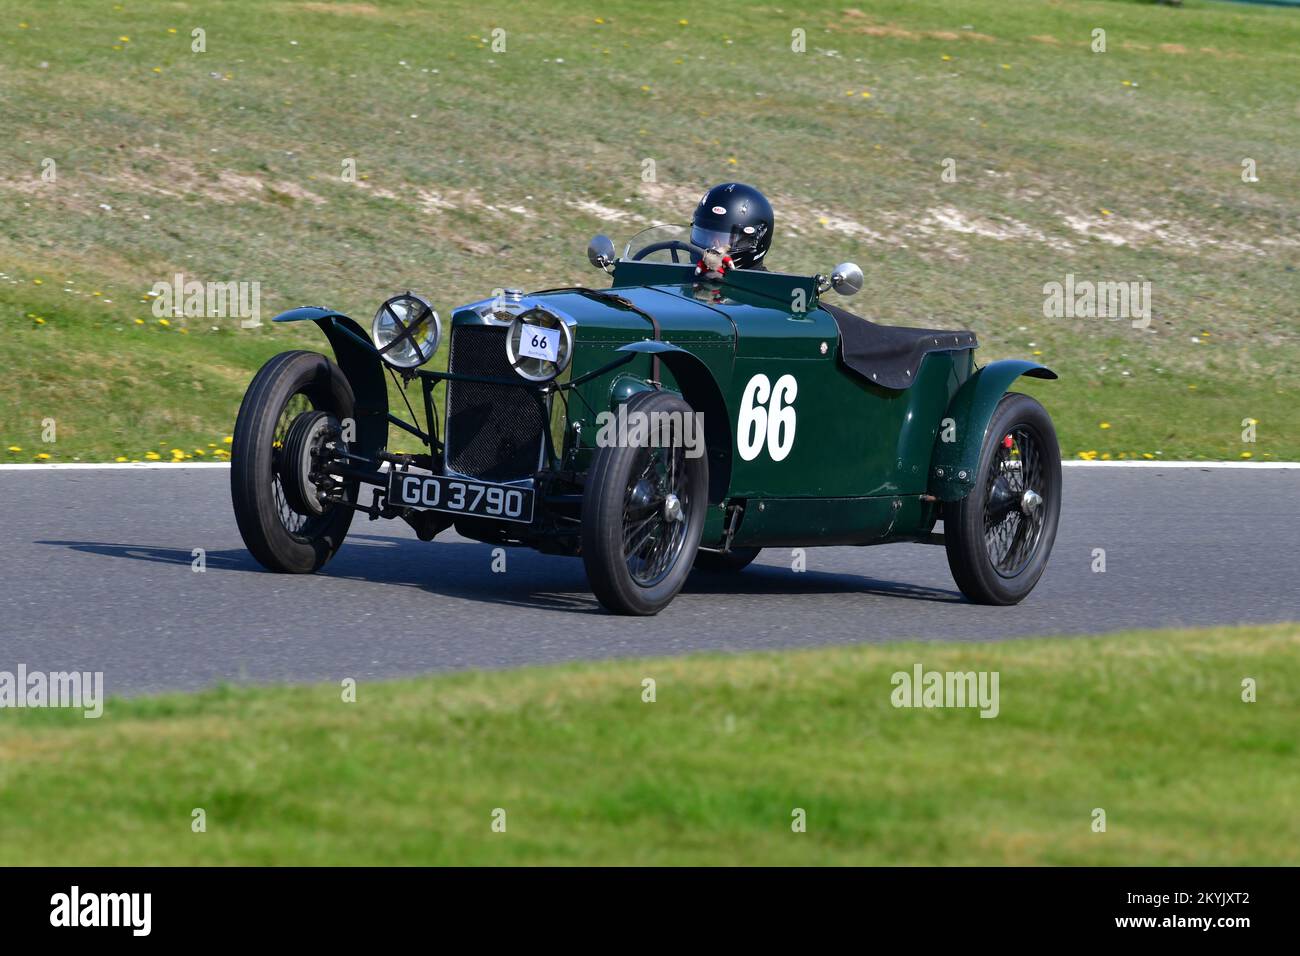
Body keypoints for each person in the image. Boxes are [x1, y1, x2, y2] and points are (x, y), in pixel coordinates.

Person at [689, 183, 773, 275]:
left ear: (756, 239)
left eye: (723, 238)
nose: (711, 249)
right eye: (705, 235)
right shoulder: (682, 275)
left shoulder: (771, 288)